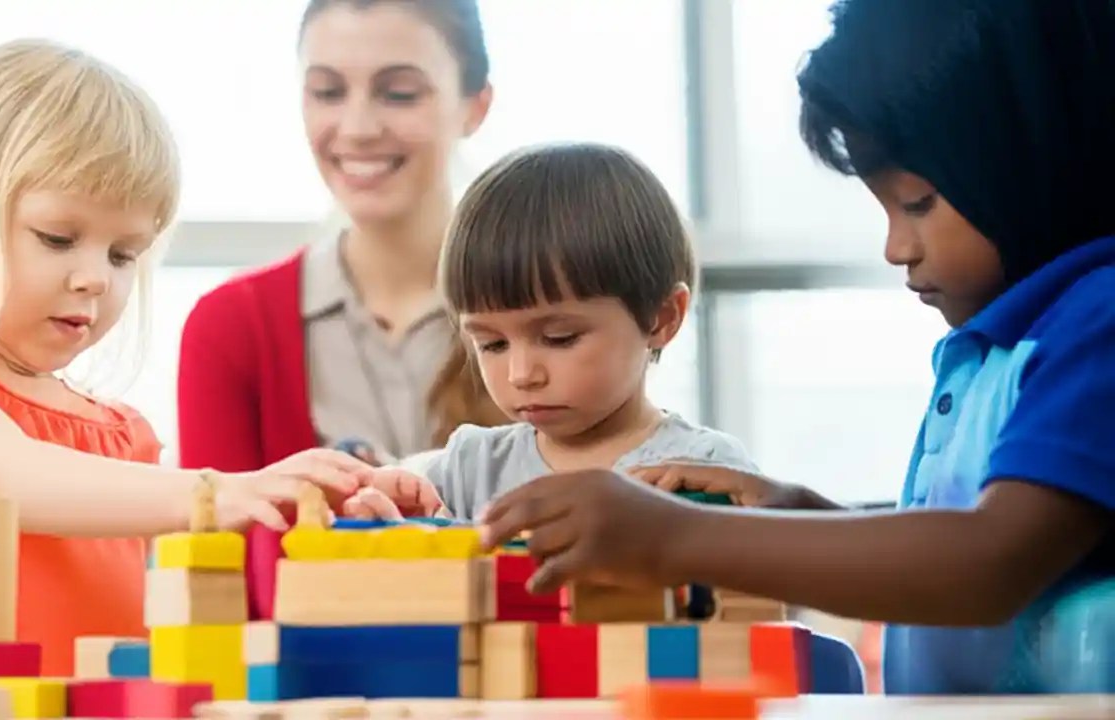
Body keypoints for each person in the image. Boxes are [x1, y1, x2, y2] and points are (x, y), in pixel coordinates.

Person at [475, 0, 1115, 695]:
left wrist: (671, 536)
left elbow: (990, 564)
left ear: (1039, 151)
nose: (895, 247)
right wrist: (803, 512)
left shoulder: (1099, 324)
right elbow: (976, 548)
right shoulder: (1004, 344)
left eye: (919, 204)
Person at [0, 39, 365, 680]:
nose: (95, 278)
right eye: (59, 238)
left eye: (124, 255)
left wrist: (326, 506)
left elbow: (199, 604)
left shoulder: (123, 438)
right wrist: (213, 490)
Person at [343, 142, 759, 522]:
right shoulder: (465, 469)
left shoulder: (708, 469)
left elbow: (755, 601)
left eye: (559, 338)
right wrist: (393, 525)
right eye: (492, 344)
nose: (521, 374)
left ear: (663, 317)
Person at [176, 0, 506, 476]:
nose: (358, 129)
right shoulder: (233, 326)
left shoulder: (555, 306)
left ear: (476, 107)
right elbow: (217, 544)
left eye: (399, 94)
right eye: (328, 92)